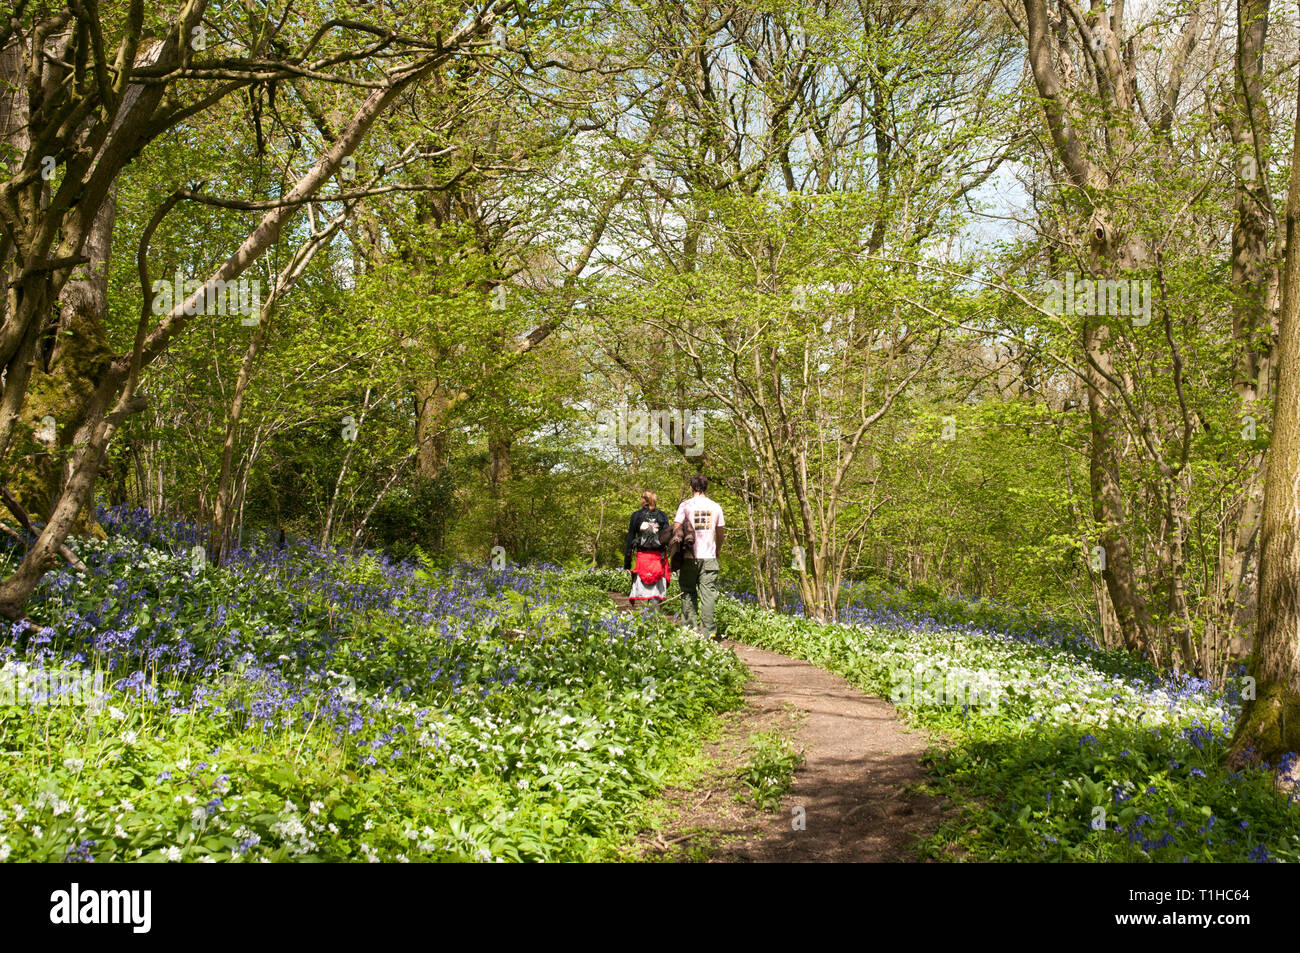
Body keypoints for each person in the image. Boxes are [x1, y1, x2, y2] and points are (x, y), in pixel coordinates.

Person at [673, 474, 725, 640]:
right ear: (706, 488)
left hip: (689, 557)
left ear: (691, 488)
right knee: (708, 595)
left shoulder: (686, 505)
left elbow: (676, 529)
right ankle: (708, 633)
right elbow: (720, 532)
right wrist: (717, 550)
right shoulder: (716, 507)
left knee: (688, 592)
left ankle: (688, 631)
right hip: (709, 557)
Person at [624, 491, 671, 612]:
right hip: (658, 559)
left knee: (645, 588)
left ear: (643, 500)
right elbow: (667, 538)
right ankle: (655, 618)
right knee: (655, 591)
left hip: (643, 558)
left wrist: (627, 563)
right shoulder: (662, 516)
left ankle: (647, 620)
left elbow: (630, 539)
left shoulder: (636, 516)